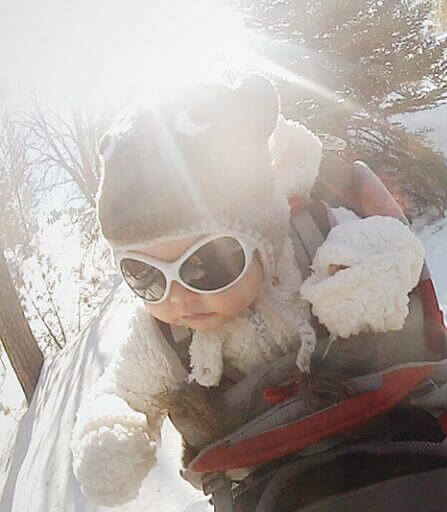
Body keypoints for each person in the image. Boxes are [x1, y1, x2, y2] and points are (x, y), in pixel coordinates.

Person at [69, 75, 426, 507]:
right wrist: (112, 432)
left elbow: (393, 243)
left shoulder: (311, 242)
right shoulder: (161, 339)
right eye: (144, 275)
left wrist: (359, 281)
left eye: (206, 264)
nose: (177, 296)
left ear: (265, 236)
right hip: (267, 483)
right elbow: (123, 392)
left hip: (392, 428)